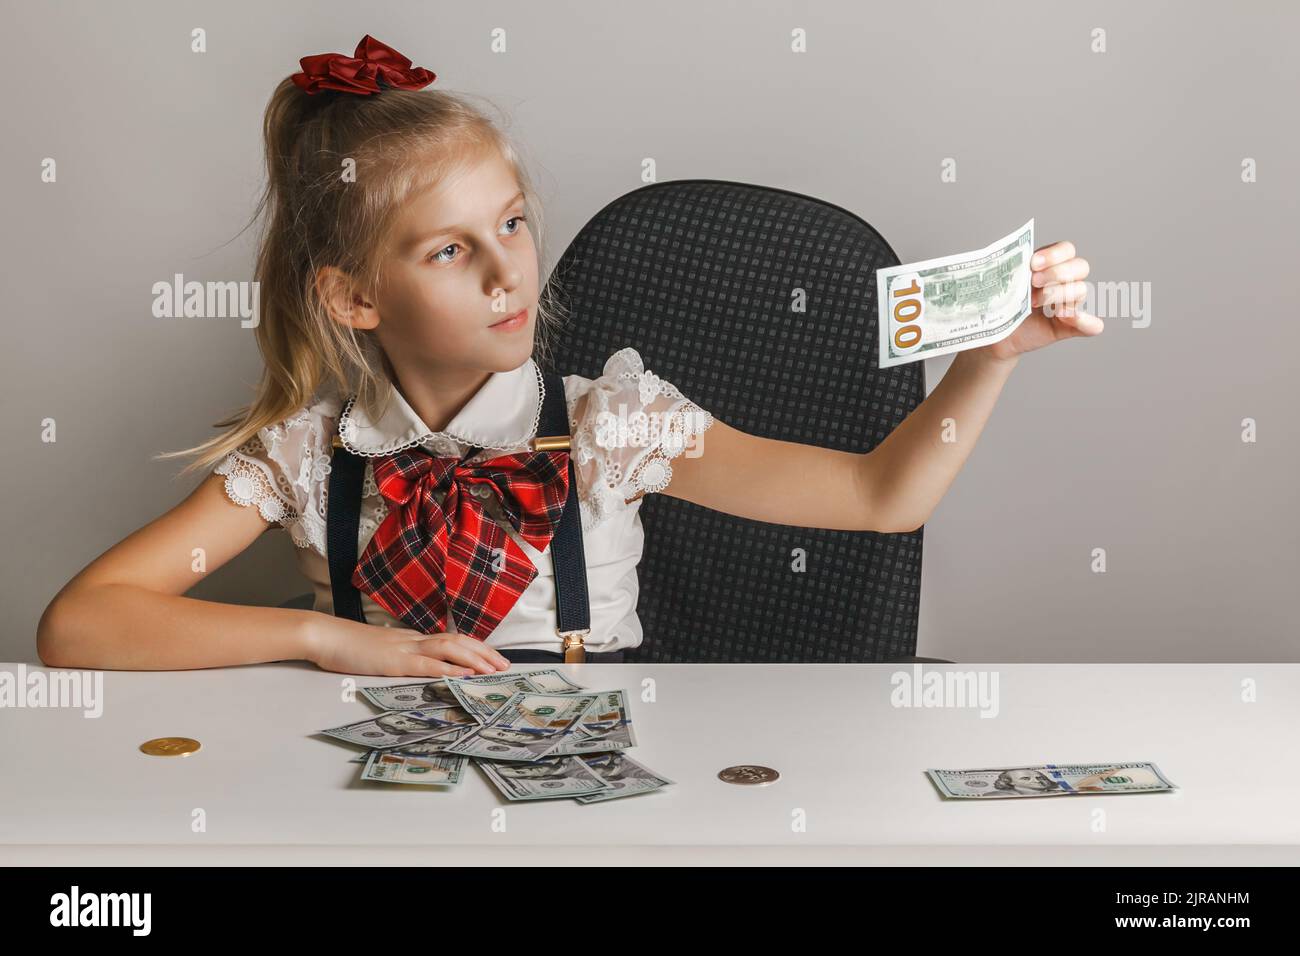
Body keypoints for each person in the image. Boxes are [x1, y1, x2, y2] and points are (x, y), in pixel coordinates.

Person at [36, 35, 1101, 678]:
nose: (508, 273)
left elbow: (881, 497)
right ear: (354, 296)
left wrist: (992, 358)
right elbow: (82, 624)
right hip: (375, 798)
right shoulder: (312, 456)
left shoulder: (611, 423)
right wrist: (325, 641)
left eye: (511, 224)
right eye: (450, 250)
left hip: (595, 782)